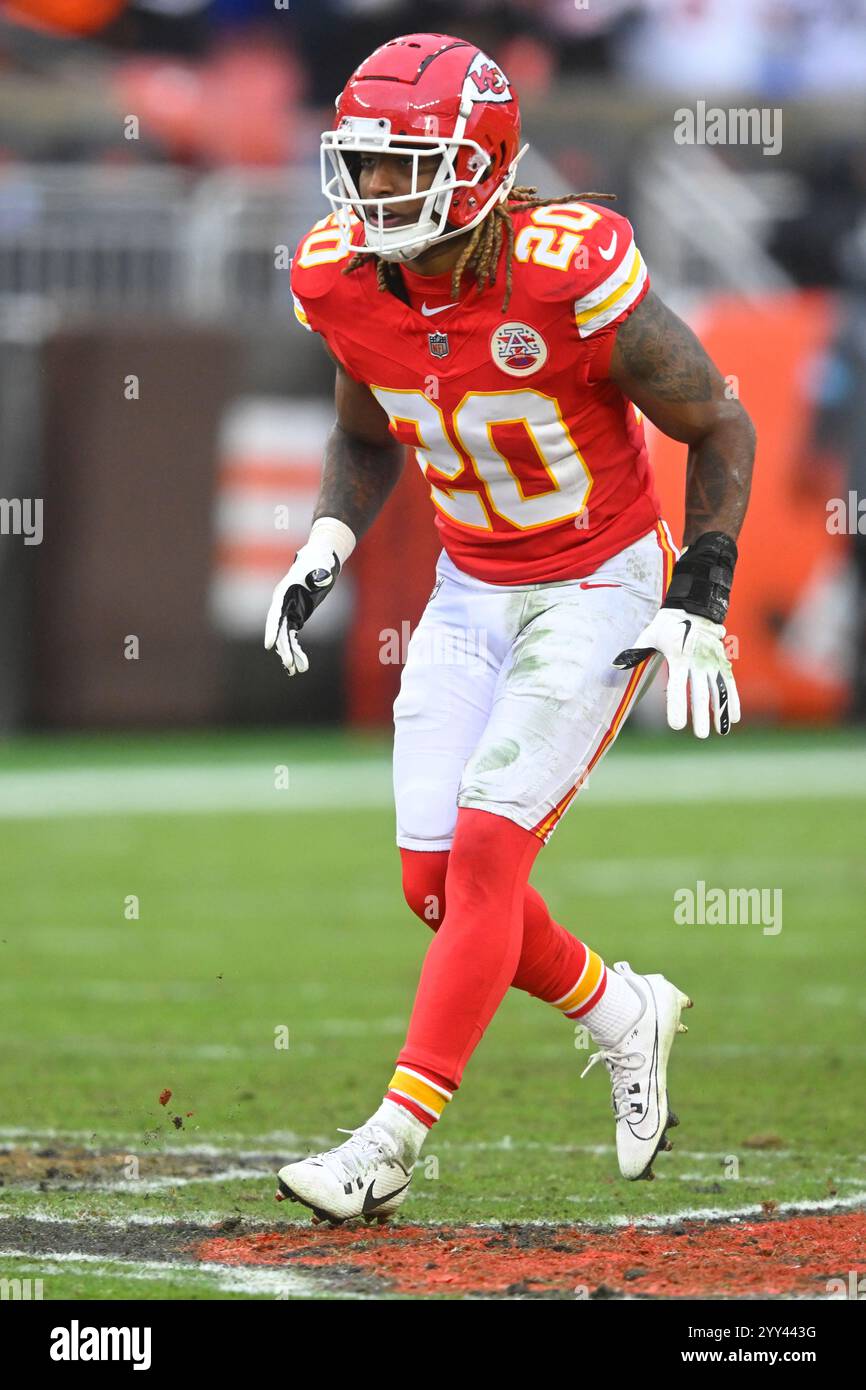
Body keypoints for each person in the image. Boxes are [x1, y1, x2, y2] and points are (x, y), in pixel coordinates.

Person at [265, 32, 755, 1225]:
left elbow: (719, 421)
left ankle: (388, 1142)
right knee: (433, 886)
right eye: (364, 164)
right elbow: (365, 431)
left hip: (596, 582)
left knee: (488, 855)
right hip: (470, 586)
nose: (373, 189)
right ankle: (623, 1010)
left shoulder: (564, 267)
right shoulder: (339, 276)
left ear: (476, 164)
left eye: (400, 166)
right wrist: (325, 541)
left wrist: (700, 589)